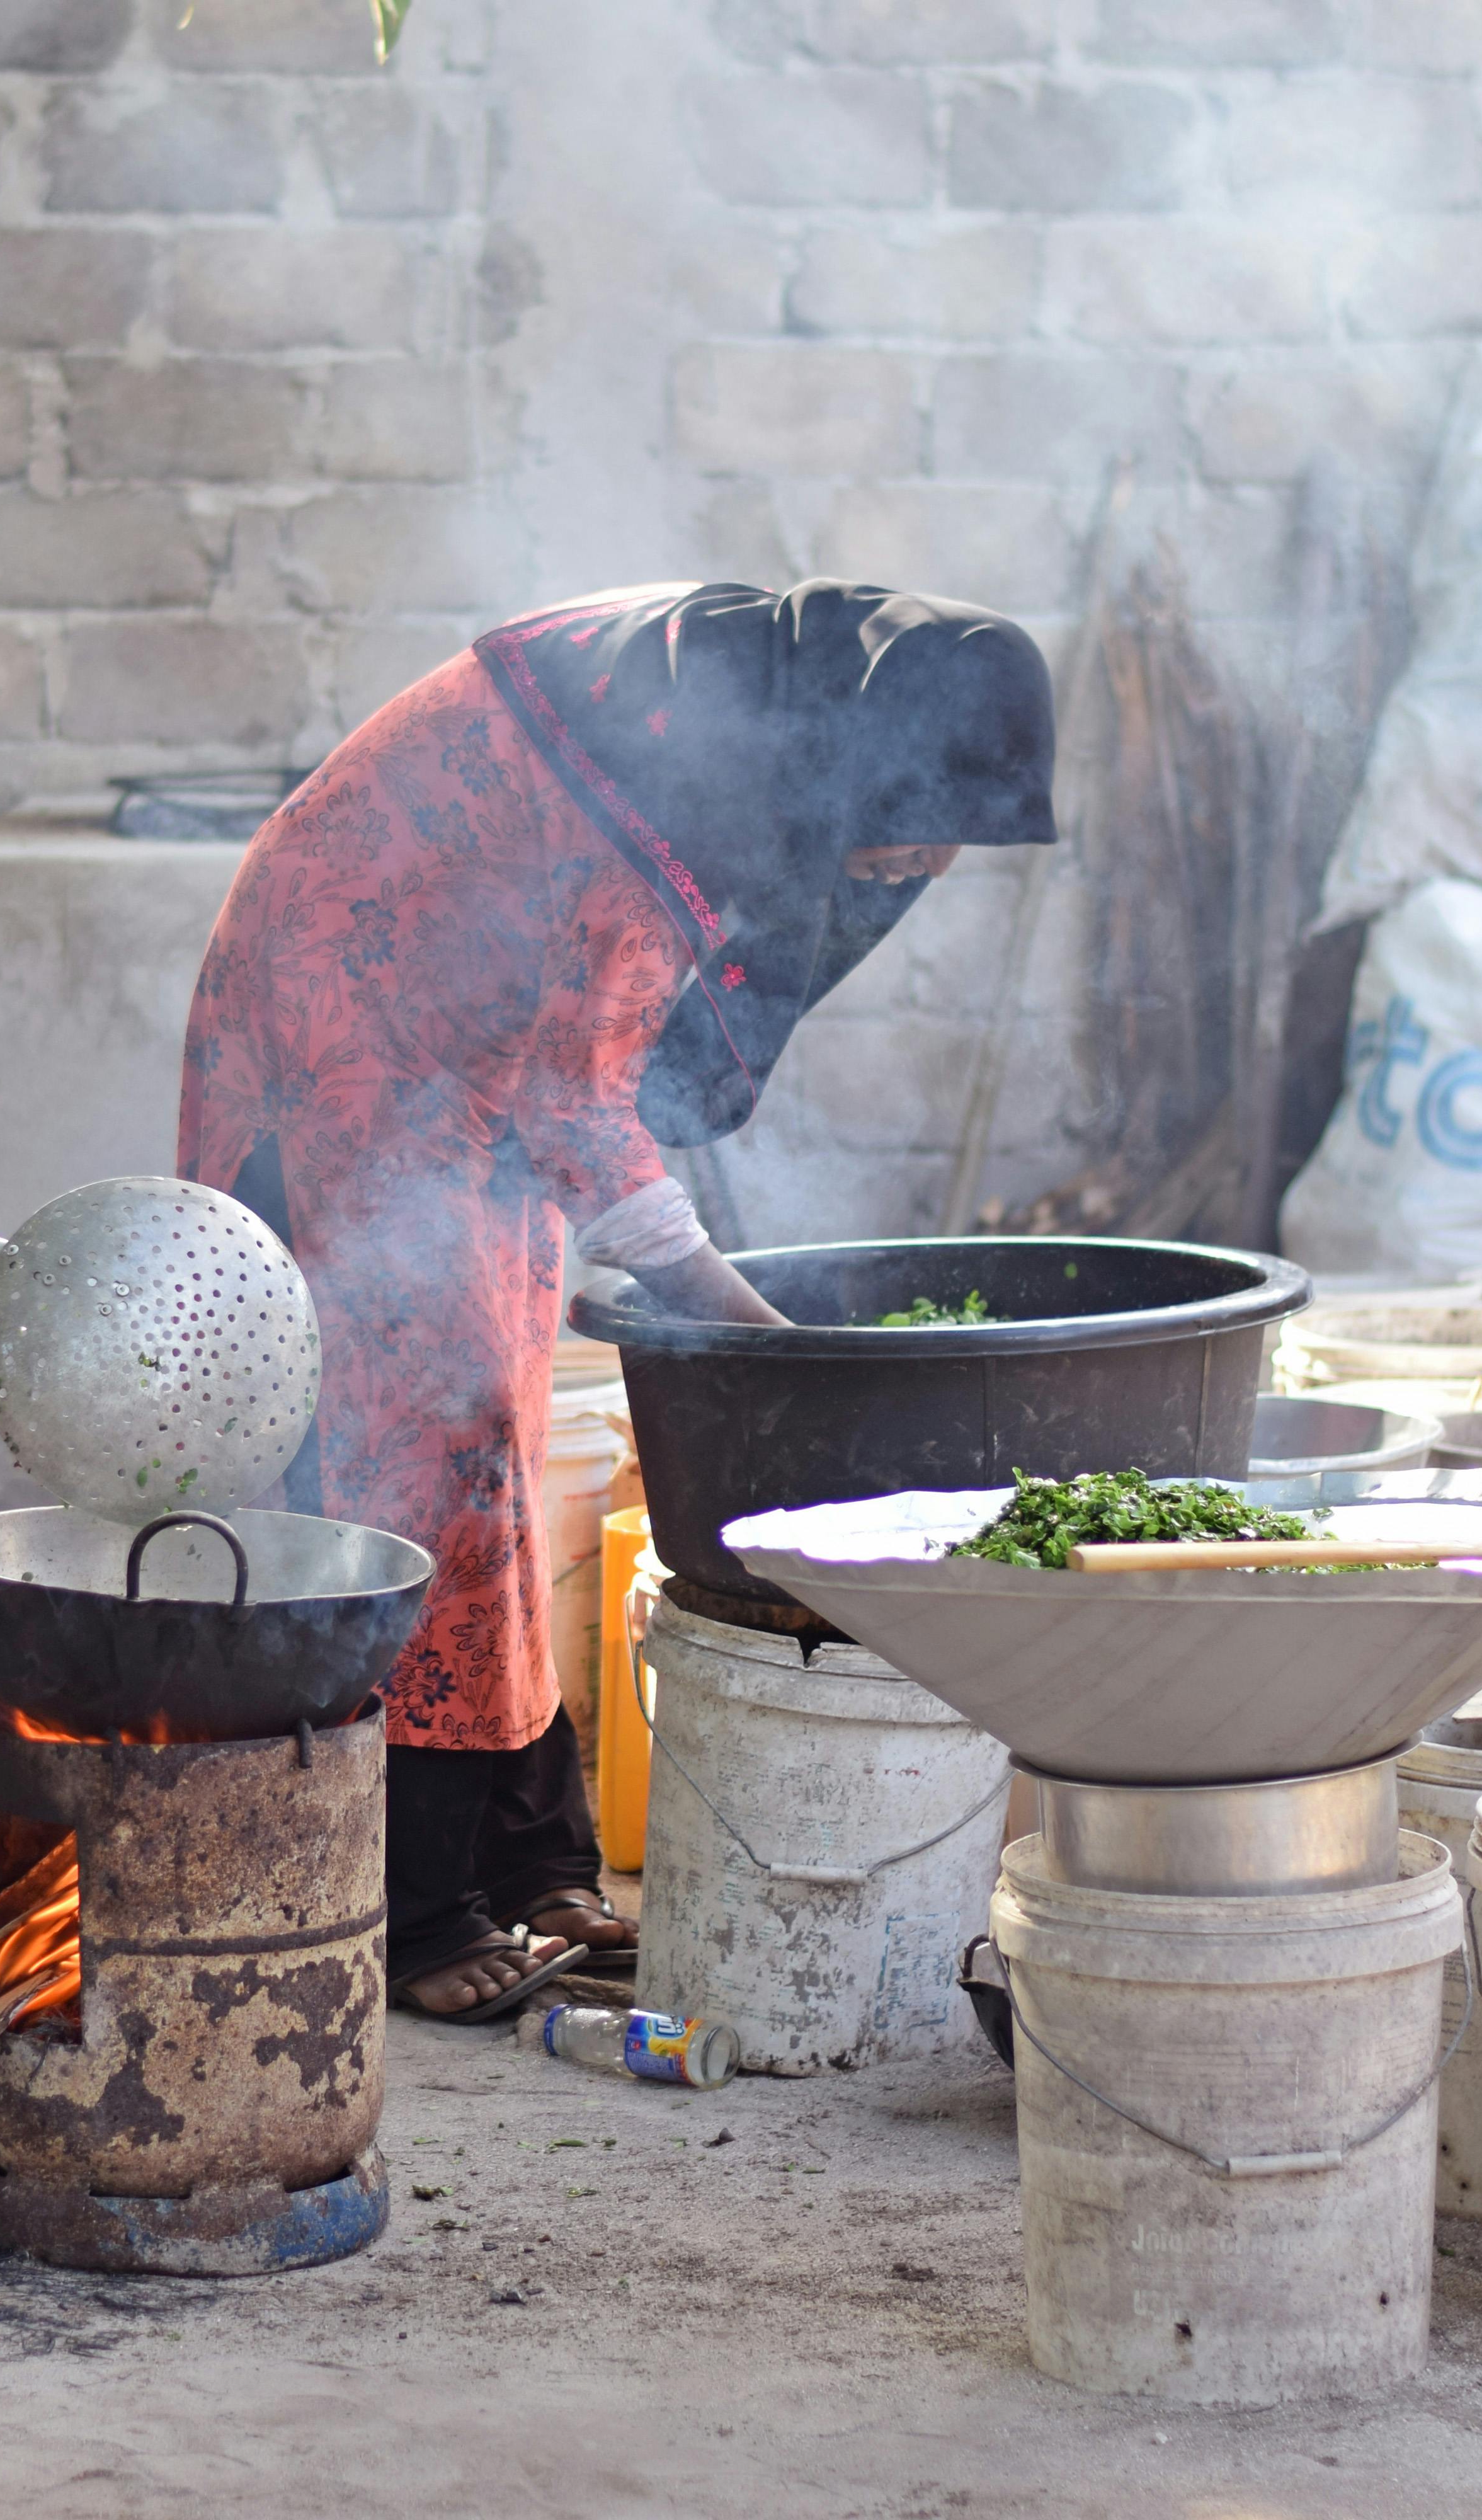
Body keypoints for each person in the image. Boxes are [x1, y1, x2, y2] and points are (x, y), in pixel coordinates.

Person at [178, 581, 1056, 2020]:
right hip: (353, 1022)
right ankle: (411, 1911)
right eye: (924, 815)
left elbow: (581, 1058)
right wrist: (757, 1336)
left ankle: (534, 1859)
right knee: (426, 1466)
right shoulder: (674, 776)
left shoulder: (749, 696)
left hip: (468, 1039)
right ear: (858, 753)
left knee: (500, 1451)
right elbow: (578, 1098)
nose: (934, 857)